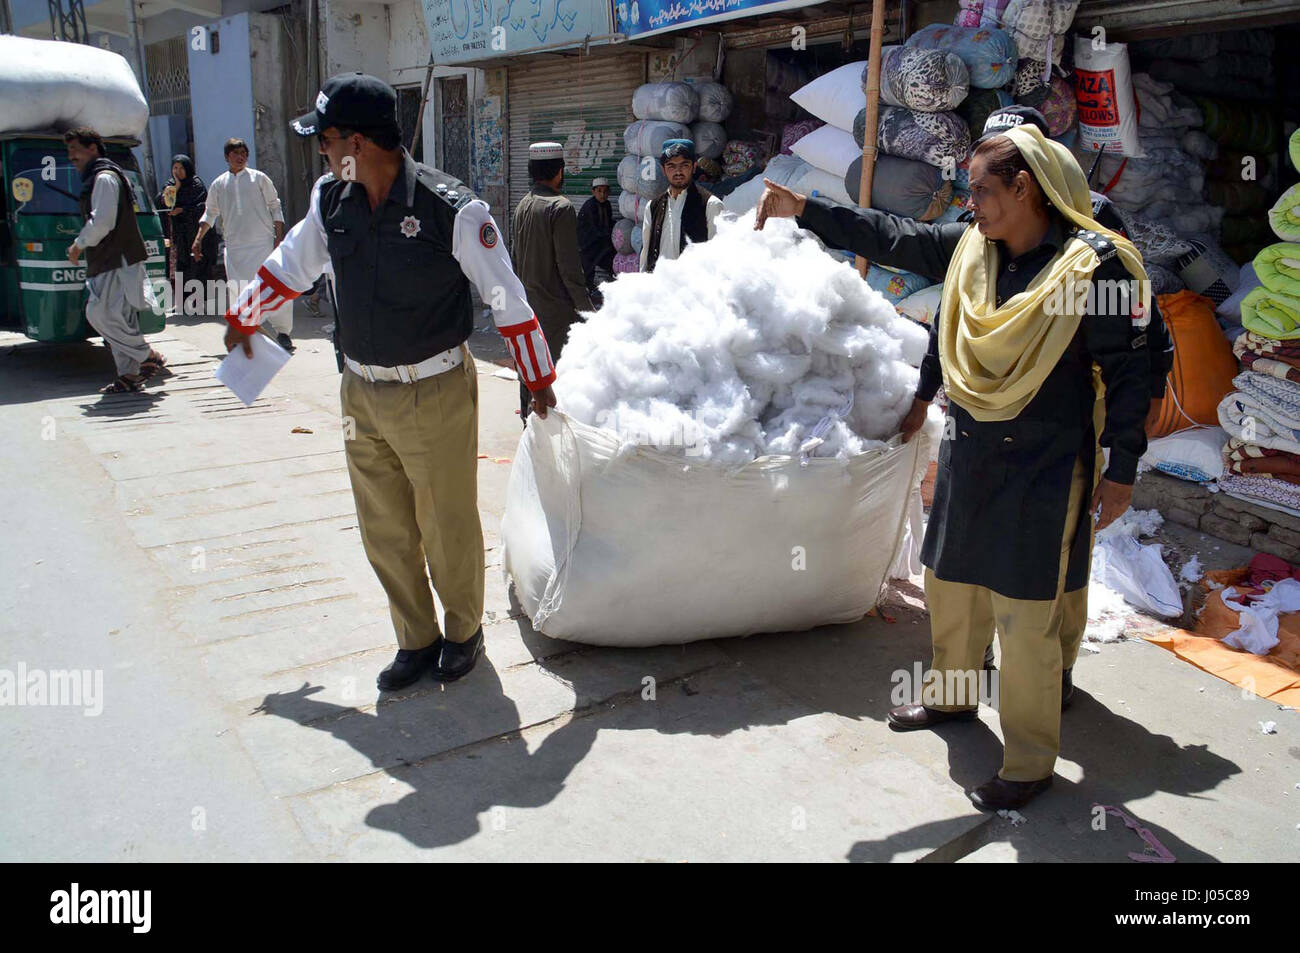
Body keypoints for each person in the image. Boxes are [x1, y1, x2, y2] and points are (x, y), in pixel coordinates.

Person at [757, 121, 1152, 812]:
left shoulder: (1095, 267)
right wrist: (807, 210)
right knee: (952, 583)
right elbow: (899, 239)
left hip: (1046, 459)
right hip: (972, 449)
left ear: (1024, 187)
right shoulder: (977, 248)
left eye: (981, 191)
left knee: (1025, 608)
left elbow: (1135, 369)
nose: (971, 205)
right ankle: (952, 698)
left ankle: (1028, 758)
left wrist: (1123, 469)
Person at [222, 72, 558, 690]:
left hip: (435, 390)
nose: (320, 152)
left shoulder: (451, 208)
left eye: (325, 140)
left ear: (359, 141)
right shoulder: (331, 199)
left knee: (445, 522)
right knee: (384, 527)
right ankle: (417, 639)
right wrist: (242, 316)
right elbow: (289, 265)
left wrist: (537, 378)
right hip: (360, 393)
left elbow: (506, 298)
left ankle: (463, 633)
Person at [64, 127, 167, 394]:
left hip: (115, 258)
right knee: (120, 318)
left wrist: (78, 245)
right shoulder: (98, 177)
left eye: (75, 149)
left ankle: (147, 355)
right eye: (69, 151)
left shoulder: (105, 178)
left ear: (93, 148)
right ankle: (129, 375)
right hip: (111, 258)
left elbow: (102, 221)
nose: (71, 156)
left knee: (100, 314)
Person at [511, 141, 592, 421]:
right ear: (559, 171)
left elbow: (513, 260)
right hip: (556, 314)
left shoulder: (522, 205)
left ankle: (528, 429)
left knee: (529, 372)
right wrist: (587, 312)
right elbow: (570, 269)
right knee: (556, 381)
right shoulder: (561, 207)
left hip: (526, 310)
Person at [193, 138, 291, 350]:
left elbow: (275, 207)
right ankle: (248, 333)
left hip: (263, 244)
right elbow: (210, 213)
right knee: (240, 292)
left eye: (244, 153)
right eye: (236, 153)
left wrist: (278, 238)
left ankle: (283, 332)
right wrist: (198, 239)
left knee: (272, 286)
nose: (241, 157)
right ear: (227, 157)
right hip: (235, 248)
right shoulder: (219, 184)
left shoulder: (259, 179)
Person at [640, 139, 724, 273]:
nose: (678, 172)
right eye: (671, 166)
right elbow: (646, 251)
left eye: (684, 165)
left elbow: (719, 257)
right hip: (658, 288)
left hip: (693, 289)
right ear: (663, 169)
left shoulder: (711, 205)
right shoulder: (652, 206)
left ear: (694, 167)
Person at [154, 154, 211, 305]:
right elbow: (164, 203)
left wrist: (183, 210)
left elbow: (202, 207)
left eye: (181, 168)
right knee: (180, 264)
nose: (178, 171)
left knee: (196, 263)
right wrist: (176, 187)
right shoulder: (170, 184)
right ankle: (183, 300)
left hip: (194, 231)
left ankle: (198, 299)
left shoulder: (196, 185)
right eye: (175, 168)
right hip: (178, 232)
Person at [576, 176, 615, 304]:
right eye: (599, 191)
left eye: (605, 191)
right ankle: (585, 301)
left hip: (599, 244)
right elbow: (595, 228)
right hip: (587, 245)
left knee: (611, 265)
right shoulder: (590, 206)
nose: (602, 194)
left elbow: (608, 223)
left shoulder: (607, 205)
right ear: (593, 192)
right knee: (588, 273)